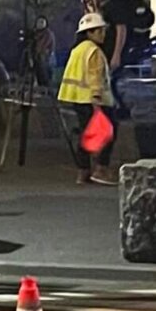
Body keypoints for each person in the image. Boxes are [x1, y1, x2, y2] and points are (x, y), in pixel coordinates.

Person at [59, 12, 116, 186]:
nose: (103, 34)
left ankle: (83, 172)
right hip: (93, 101)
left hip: (78, 100)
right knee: (107, 134)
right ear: (89, 33)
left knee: (87, 135)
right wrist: (97, 102)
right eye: (99, 31)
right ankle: (101, 169)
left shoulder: (78, 50)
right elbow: (94, 77)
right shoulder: (94, 51)